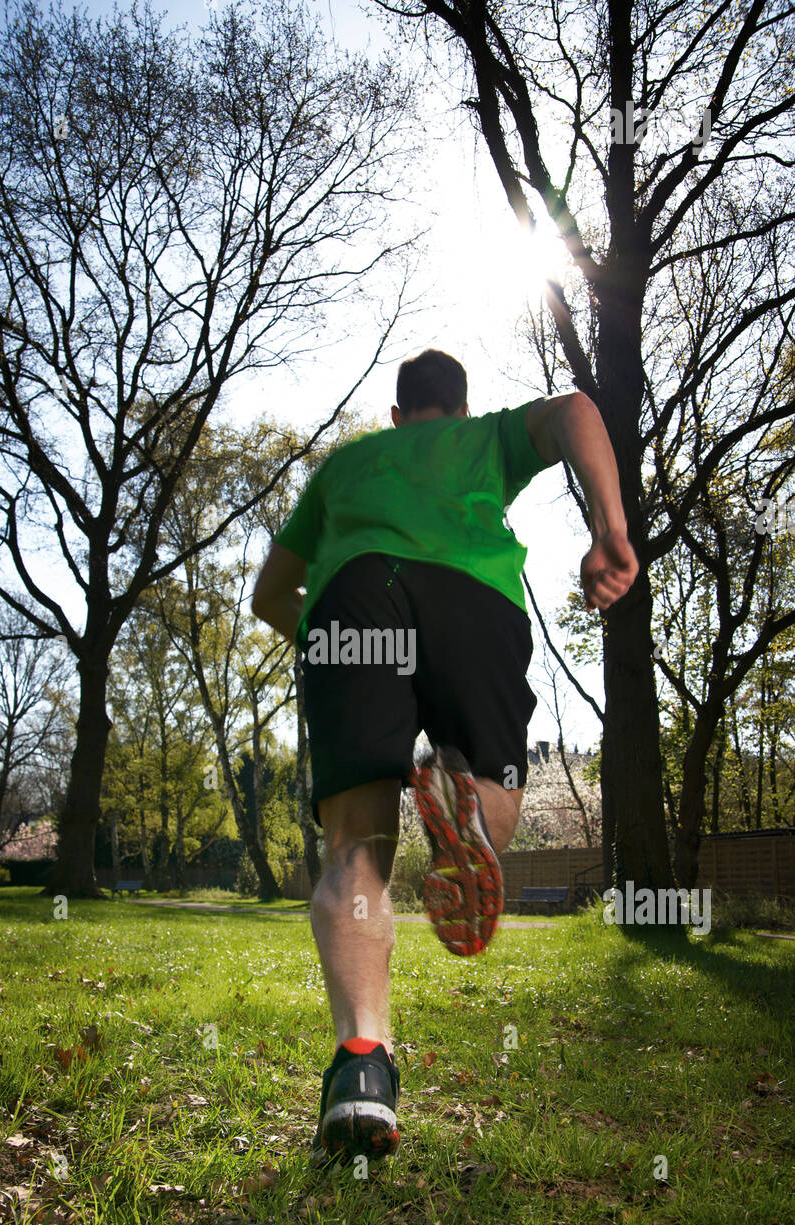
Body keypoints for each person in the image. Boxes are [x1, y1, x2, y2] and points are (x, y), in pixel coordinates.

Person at [251, 348, 638, 1166]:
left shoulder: (348, 465)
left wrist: (328, 645)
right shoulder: (486, 439)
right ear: (458, 410)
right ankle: (466, 802)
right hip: (471, 599)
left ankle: (361, 1066)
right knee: (495, 780)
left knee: (356, 847)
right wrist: (609, 530)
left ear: (397, 416)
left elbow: (268, 593)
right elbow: (575, 410)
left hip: (357, 595)